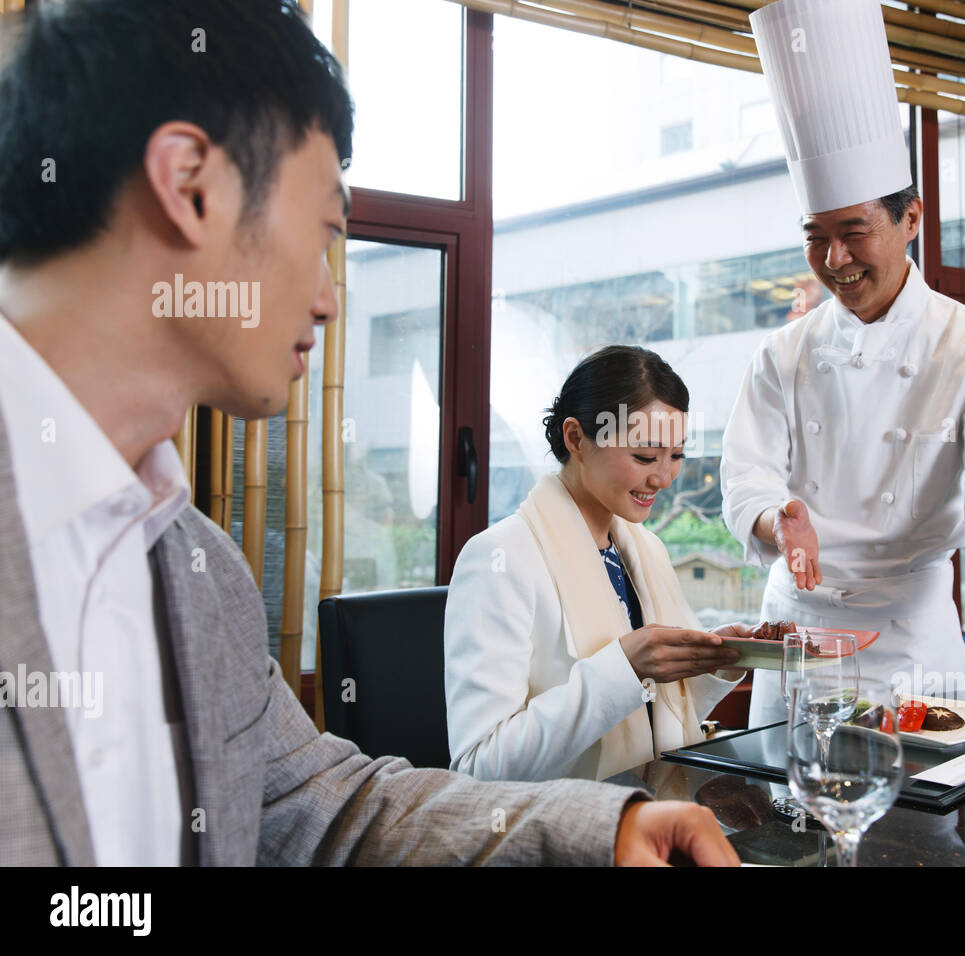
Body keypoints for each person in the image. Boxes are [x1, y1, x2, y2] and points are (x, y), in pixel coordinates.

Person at [0, 0, 737, 866]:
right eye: (323, 233)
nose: (328, 297)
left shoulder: (197, 566)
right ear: (191, 186)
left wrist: (603, 828)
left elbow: (328, 806)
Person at [722, 0, 965, 739]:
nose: (835, 261)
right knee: (786, 827)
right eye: (817, 238)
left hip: (912, 642)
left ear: (911, 220)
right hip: (797, 641)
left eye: (854, 233)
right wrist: (780, 526)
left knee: (916, 842)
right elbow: (744, 477)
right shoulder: (782, 353)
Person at [445, 346, 748, 782]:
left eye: (676, 455)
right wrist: (623, 667)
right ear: (576, 439)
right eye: (645, 457)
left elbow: (656, 721)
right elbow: (482, 766)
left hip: (652, 812)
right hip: (563, 831)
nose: (663, 477)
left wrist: (711, 658)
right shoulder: (499, 559)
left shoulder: (646, 550)